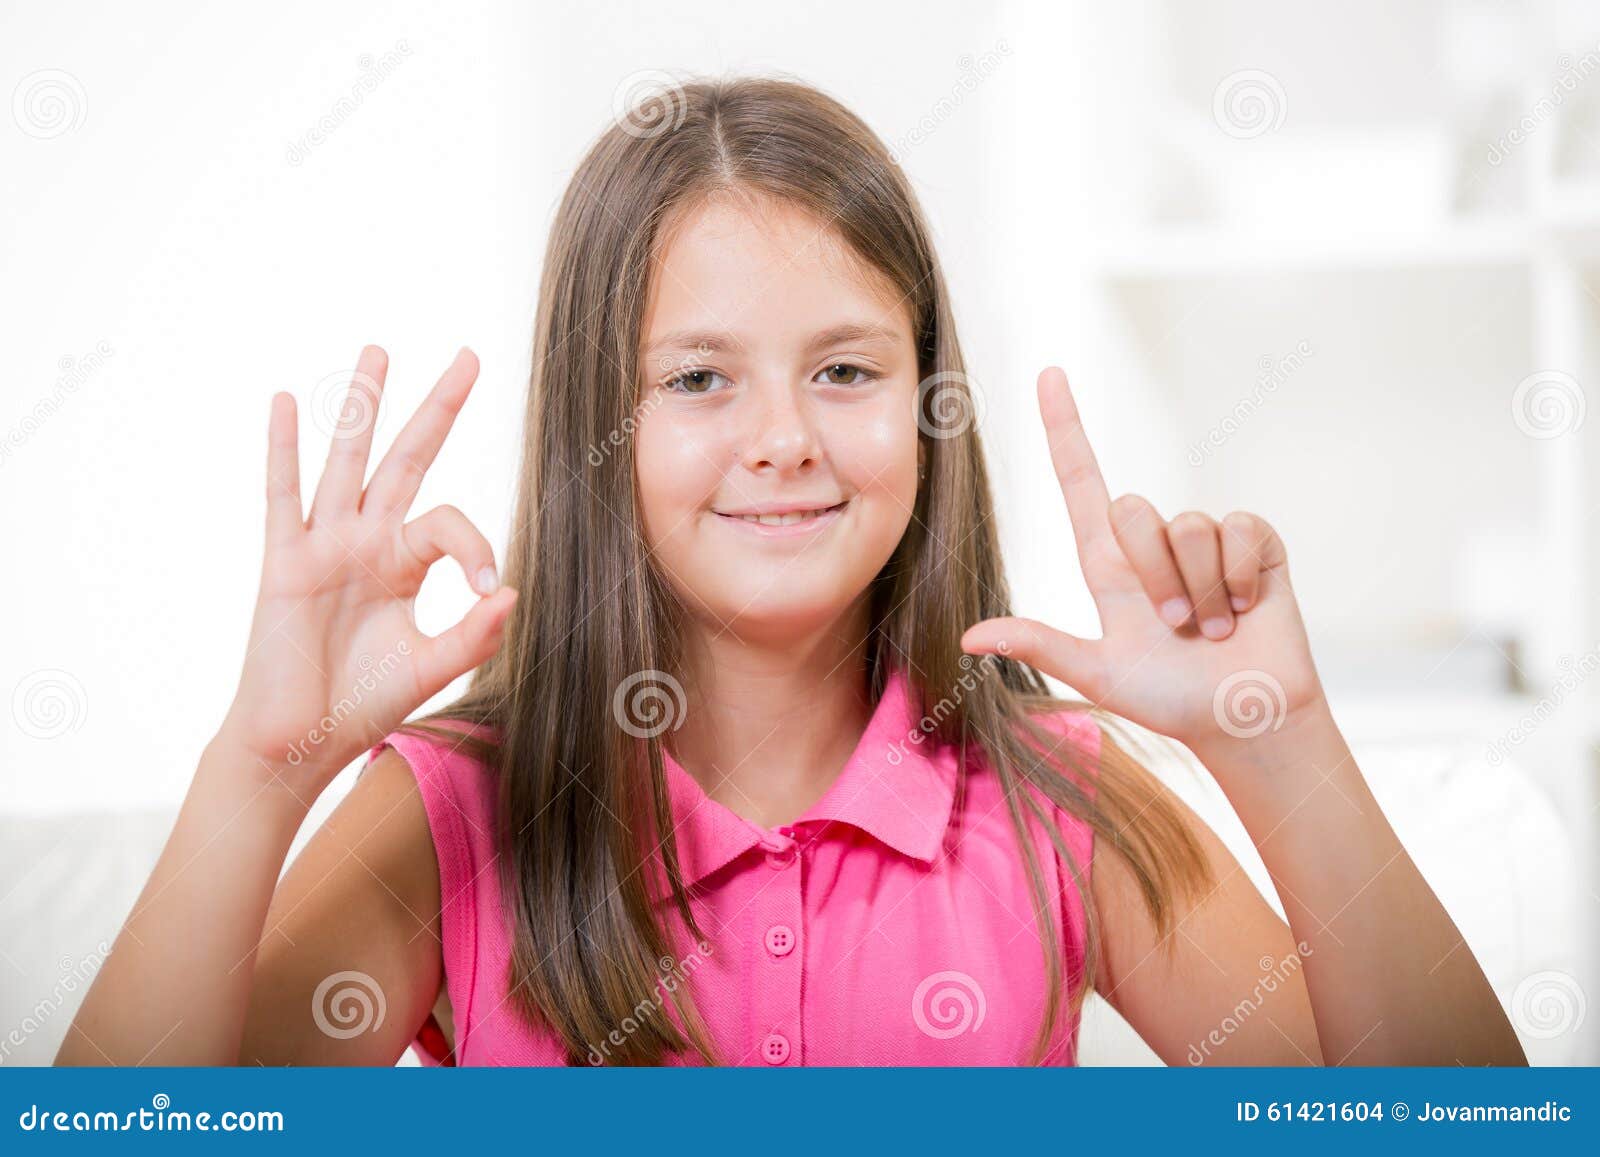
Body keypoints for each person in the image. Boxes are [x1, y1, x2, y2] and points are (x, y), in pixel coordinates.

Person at [58, 77, 1524, 1067]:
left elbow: (1449, 1136)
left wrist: (1283, 749)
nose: (781, 440)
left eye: (843, 369)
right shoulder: (455, 810)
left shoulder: (1054, 795)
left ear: (927, 404)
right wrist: (261, 771)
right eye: (698, 379)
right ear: (598, 425)